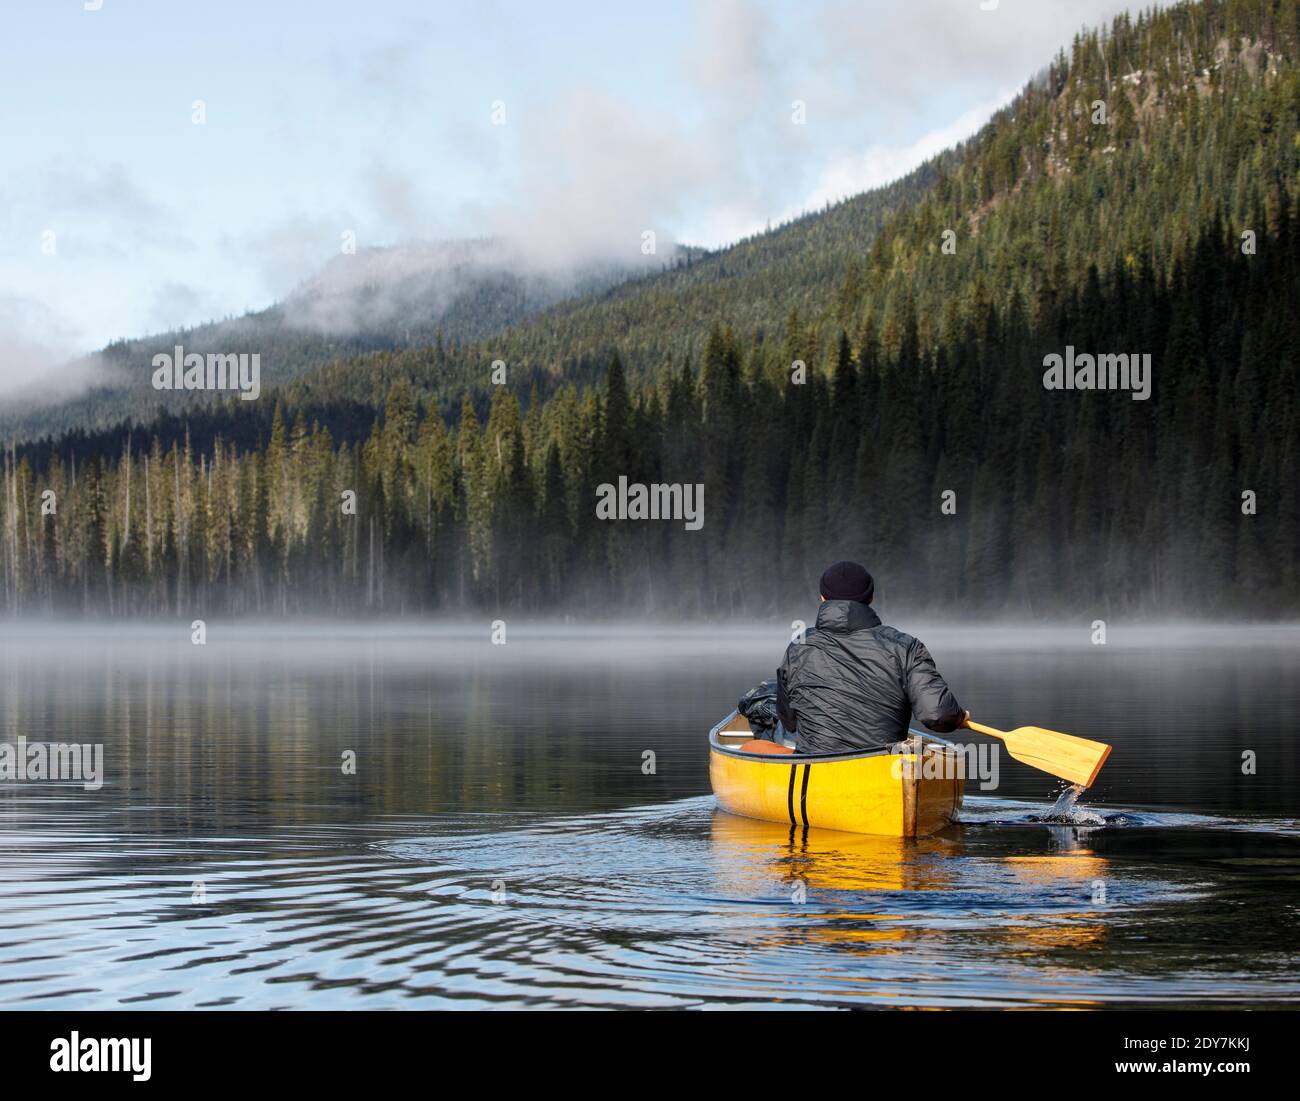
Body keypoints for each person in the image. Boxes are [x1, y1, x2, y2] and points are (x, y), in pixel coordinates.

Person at [776, 560, 967, 754]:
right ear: (871, 598)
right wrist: (958, 717)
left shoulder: (798, 647)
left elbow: (789, 722)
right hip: (883, 768)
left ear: (823, 598)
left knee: (764, 739)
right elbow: (938, 715)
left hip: (816, 770)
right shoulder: (905, 646)